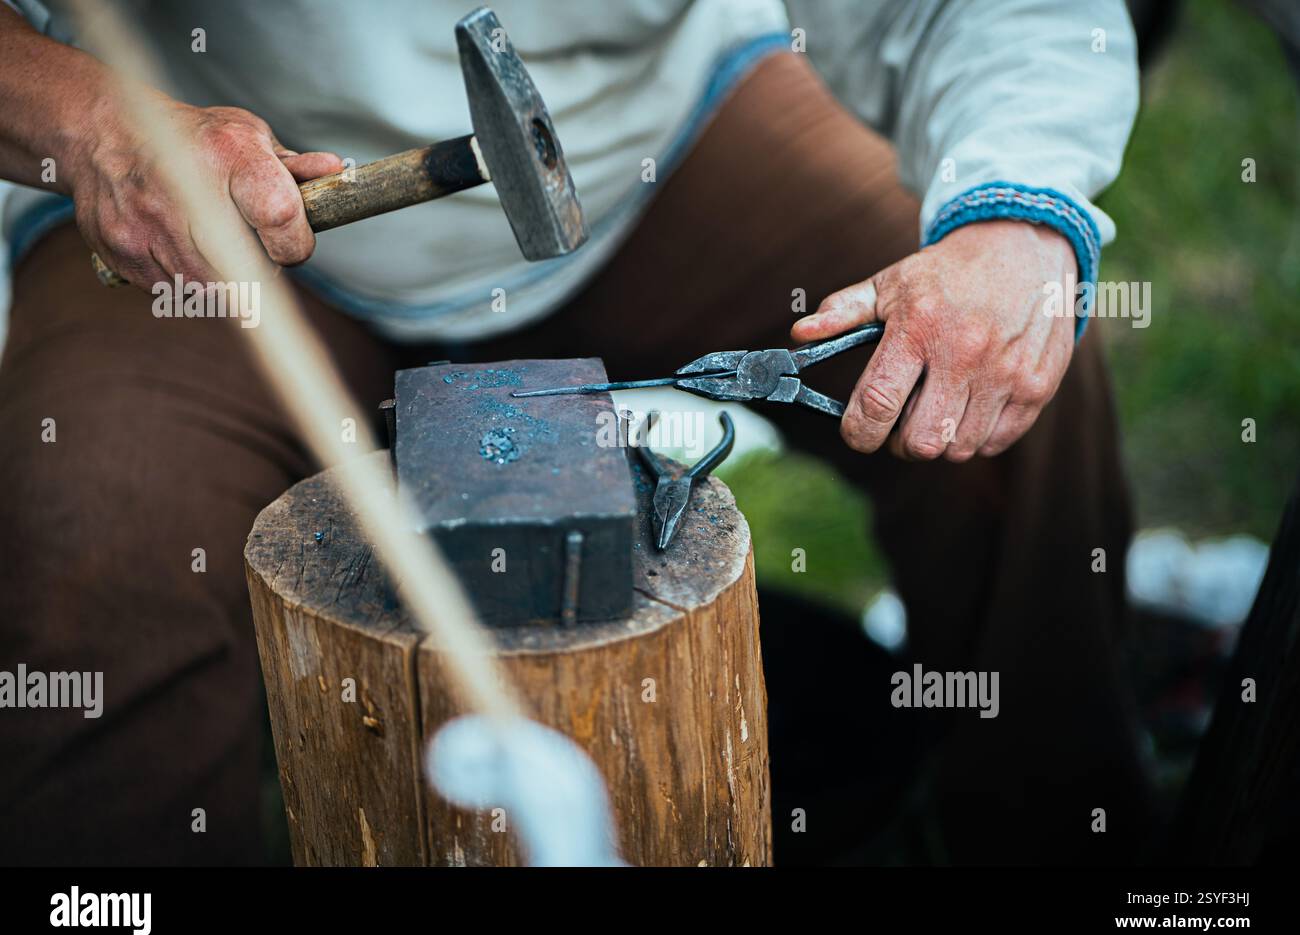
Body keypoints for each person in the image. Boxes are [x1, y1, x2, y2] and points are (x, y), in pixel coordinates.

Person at [0, 0, 1151, 864]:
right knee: (95, 521)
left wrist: (1016, 213)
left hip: (646, 151)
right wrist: (89, 121)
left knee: (1010, 386)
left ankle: (1064, 835)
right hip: (187, 210)